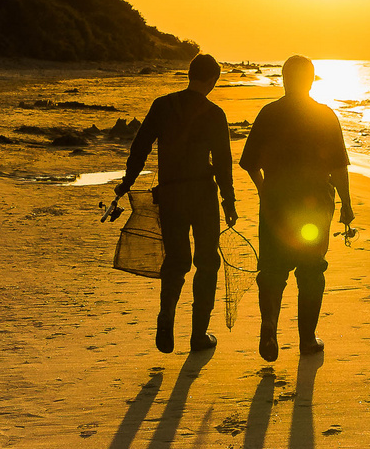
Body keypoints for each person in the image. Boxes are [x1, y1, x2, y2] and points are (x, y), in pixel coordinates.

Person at [115, 53, 237, 354]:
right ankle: (198, 334)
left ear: (189, 74)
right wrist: (229, 201)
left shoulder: (163, 105)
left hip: (170, 194)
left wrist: (127, 182)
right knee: (207, 262)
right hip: (202, 195)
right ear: (213, 80)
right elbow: (223, 162)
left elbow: (140, 144)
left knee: (176, 260)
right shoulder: (214, 113)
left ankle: (166, 317)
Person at [240, 55, 353, 361]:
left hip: (276, 204)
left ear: (284, 78)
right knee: (312, 269)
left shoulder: (268, 113)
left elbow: (249, 163)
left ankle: (269, 325)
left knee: (272, 271)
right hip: (314, 206)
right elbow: (339, 167)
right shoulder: (325, 115)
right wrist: (347, 205)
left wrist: (265, 192)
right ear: (311, 79)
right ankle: (306, 340)